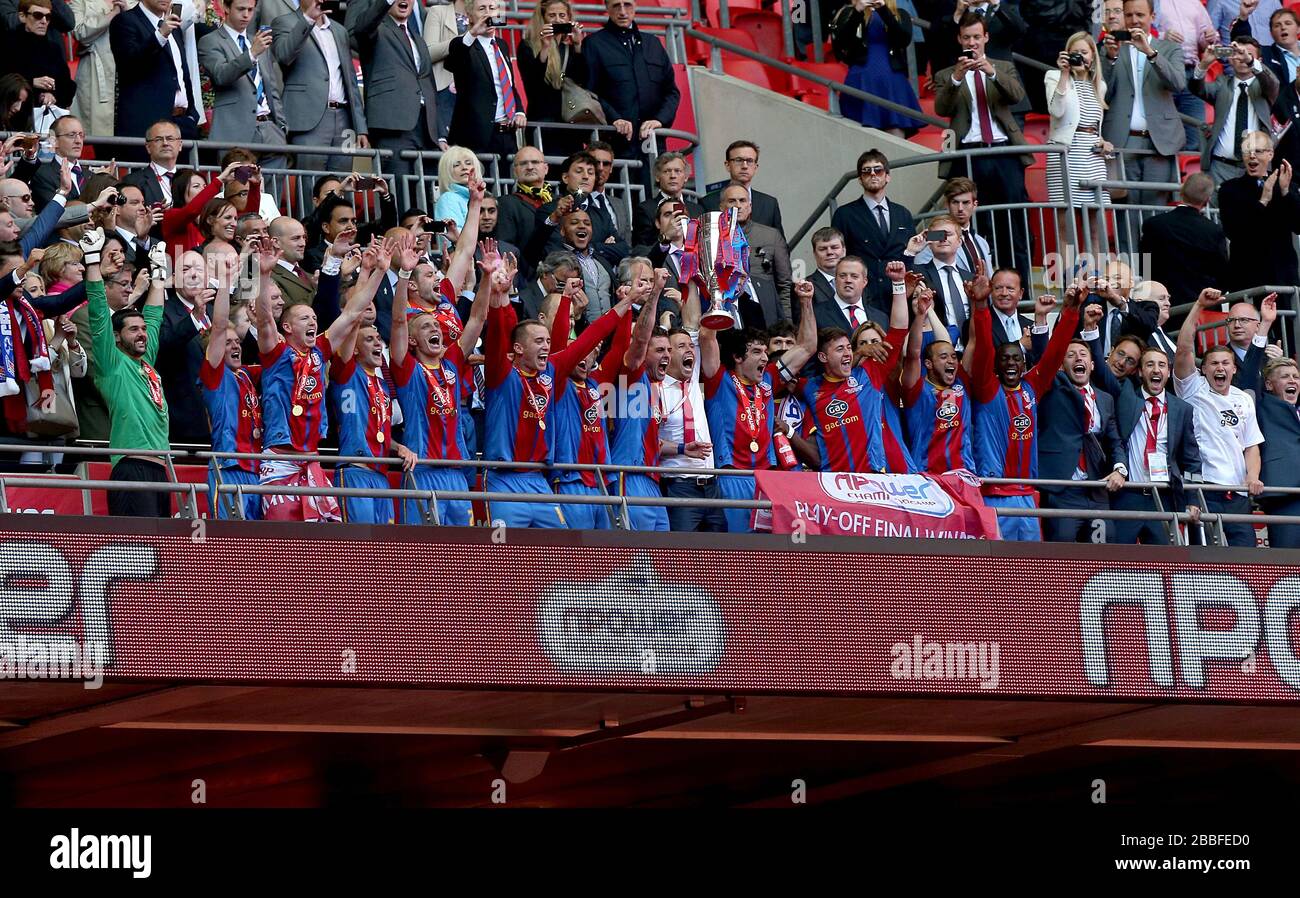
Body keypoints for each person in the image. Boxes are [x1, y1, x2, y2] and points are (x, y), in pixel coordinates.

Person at [481, 245, 628, 528]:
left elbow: (591, 336)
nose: (546, 347)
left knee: (561, 557)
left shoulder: (551, 372)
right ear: (518, 349)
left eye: (547, 342)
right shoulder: (502, 374)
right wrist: (498, 295)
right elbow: (498, 337)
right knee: (504, 560)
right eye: (538, 342)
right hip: (504, 480)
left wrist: (627, 303)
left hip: (539, 482)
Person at [252, 233, 370, 522]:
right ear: (288, 327)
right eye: (305, 318)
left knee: (324, 541)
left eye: (314, 319)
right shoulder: (275, 352)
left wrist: (372, 271)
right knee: (283, 541)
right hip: (280, 458)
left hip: (312, 459)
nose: (313, 322)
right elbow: (265, 317)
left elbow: (354, 311)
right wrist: (264, 274)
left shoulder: (321, 350)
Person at [967, 269, 1083, 541]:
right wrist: (981, 306)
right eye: (1004, 359)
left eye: (1016, 359)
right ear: (995, 366)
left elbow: (1055, 354)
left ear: (1024, 364)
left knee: (1030, 570)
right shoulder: (987, 389)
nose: (1010, 364)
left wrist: (1071, 312)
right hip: (995, 494)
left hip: (1027, 496)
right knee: (999, 569)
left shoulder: (1032, 386)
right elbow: (984, 348)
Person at [699, 283, 817, 532]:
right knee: (740, 550)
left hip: (767, 478)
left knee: (769, 550)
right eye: (756, 352)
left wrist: (806, 302)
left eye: (765, 351)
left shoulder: (768, 381)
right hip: (733, 477)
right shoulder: (718, 380)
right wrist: (714, 296)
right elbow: (707, 337)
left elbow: (806, 347)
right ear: (738, 358)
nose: (765, 358)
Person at [390, 230, 490, 527]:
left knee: (463, 553)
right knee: (423, 553)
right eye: (424, 326)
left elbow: (477, 319)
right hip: (422, 471)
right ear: (411, 340)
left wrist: (486, 279)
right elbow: (397, 321)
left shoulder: (452, 364)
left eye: (436, 324)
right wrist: (405, 275)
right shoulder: (407, 369)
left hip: (457, 473)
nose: (434, 328)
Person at [934, 12, 1032, 284]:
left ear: (986, 37)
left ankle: (1019, 288)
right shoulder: (947, 74)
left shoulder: (1003, 66)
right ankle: (982, 286)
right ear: (959, 39)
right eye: (967, 37)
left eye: (977, 36)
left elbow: (1017, 96)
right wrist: (956, 78)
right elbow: (942, 108)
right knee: (978, 225)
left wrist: (991, 72)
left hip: (1004, 153)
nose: (973, 42)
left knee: (1013, 222)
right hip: (969, 155)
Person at [326, 245, 418, 525]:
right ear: (353, 349)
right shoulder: (346, 371)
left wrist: (397, 447)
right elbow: (352, 317)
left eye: (379, 338)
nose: (378, 342)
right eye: (369, 340)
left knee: (384, 553)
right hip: (354, 472)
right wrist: (371, 272)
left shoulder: (381, 383)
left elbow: (374, 428)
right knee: (360, 551)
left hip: (380, 474)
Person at [83, 229, 171, 516]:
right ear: (118, 337)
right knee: (137, 551)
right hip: (131, 467)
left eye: (142, 329)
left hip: (160, 467)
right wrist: (93, 261)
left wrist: (159, 277)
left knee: (161, 553)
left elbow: (155, 317)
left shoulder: (147, 362)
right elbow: (98, 315)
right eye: (134, 329)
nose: (142, 334)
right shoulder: (113, 364)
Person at [1173, 287, 1266, 547]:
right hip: (1202, 489)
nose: (1220, 368)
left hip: (1236, 493)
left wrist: (1252, 477)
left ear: (1234, 368)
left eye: (1226, 363)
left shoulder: (1243, 398)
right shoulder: (1193, 388)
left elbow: (1251, 446)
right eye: (1214, 363)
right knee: (1205, 560)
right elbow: (1183, 349)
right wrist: (1199, 306)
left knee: (1245, 558)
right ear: (1203, 369)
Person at [801, 260, 910, 473]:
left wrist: (898, 284)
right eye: (840, 349)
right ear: (822, 356)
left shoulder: (870, 375)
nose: (847, 353)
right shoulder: (808, 387)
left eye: (848, 348)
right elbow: (797, 356)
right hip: (835, 484)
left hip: (874, 478)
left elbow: (897, 333)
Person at [1100, 0, 1187, 225]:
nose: (1134, 20)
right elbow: (1102, 96)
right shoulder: (1112, 49)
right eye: (1129, 15)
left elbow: (1178, 83)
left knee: (1154, 214)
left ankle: (1152, 261)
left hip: (1159, 142)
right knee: (1125, 214)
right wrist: (1109, 59)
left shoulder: (1169, 48)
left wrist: (1150, 52)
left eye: (1140, 14)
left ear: (1152, 16)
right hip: (1122, 141)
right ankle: (1129, 261)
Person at [1036, 336, 1128, 541]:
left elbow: (1114, 441)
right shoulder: (1053, 391)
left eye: (1083, 354)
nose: (1078, 358)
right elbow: (1043, 358)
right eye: (1070, 355)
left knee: (1103, 553)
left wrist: (1120, 470)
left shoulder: (1105, 399)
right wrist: (1041, 322)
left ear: (1093, 364)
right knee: (1063, 557)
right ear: (1060, 366)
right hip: (1063, 491)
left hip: (1097, 489)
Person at [603, 260, 670, 531]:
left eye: (668, 350)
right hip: (627, 477)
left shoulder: (652, 386)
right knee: (631, 564)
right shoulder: (631, 374)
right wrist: (653, 294)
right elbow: (640, 339)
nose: (666, 356)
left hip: (652, 481)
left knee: (661, 567)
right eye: (660, 351)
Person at [546, 282, 618, 530]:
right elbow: (557, 345)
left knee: (609, 562)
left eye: (592, 352)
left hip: (600, 482)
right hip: (571, 481)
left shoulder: (597, 384)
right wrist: (565, 300)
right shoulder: (558, 383)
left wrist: (630, 302)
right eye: (578, 351)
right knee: (579, 559)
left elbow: (619, 349)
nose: (583, 356)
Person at [347, 0, 440, 191]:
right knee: (398, 192)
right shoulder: (376, 30)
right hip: (393, 126)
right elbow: (362, 29)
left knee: (428, 193)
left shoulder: (417, 38)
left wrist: (441, 134)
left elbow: (428, 83)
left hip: (425, 129)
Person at [200, 245, 262, 521]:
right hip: (227, 466)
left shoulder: (247, 374)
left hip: (255, 469)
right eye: (228, 344)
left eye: (237, 342)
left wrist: (258, 269)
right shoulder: (215, 374)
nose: (235, 346)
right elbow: (220, 323)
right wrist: (225, 285)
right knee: (230, 544)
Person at [271, 0, 369, 173]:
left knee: (343, 180)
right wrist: (308, 19)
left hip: (344, 119)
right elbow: (284, 56)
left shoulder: (339, 30)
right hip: (308, 119)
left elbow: (351, 81)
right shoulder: (284, 22)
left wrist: (360, 127)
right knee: (311, 182)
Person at [583, 0, 679, 171]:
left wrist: (659, 120)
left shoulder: (653, 43)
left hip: (654, 145)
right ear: (607, 8)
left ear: (635, 5)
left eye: (627, 4)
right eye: (615, 6)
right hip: (615, 144)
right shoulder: (594, 43)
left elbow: (671, 92)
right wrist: (615, 118)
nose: (622, 11)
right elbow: (589, 91)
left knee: (655, 195)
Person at [1045, 33, 1114, 251]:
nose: (1080, 58)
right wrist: (1065, 74)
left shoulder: (1099, 85)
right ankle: (1071, 283)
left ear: (1093, 55)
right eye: (1075, 53)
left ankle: (1096, 281)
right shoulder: (1054, 76)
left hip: (1092, 157)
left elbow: (1093, 124)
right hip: (1066, 155)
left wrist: (1104, 142)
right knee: (1066, 230)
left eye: (1084, 53)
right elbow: (1057, 110)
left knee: (1095, 229)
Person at [197, 0, 288, 160]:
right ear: (225, 7)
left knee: (275, 184)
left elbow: (271, 88)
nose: (246, 15)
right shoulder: (210, 41)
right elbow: (221, 75)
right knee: (239, 184)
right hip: (235, 132)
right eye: (240, 9)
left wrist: (281, 125)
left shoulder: (258, 42)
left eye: (250, 10)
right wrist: (251, 54)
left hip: (270, 130)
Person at [900, 283, 975, 474]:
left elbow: (973, 341)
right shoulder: (916, 390)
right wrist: (920, 315)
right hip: (927, 478)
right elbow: (912, 353)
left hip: (963, 474)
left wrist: (977, 302)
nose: (951, 361)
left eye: (953, 357)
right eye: (943, 358)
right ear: (928, 364)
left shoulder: (960, 384)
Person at [829, 149, 915, 312]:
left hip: (900, 296)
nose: (873, 174)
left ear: (887, 176)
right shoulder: (845, 214)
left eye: (878, 170)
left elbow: (911, 254)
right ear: (860, 179)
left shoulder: (903, 213)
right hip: (864, 298)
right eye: (866, 171)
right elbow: (839, 259)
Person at [1217, 131, 1300, 293]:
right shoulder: (1230, 189)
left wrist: (1285, 192)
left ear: (1270, 154)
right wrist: (1263, 201)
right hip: (1247, 275)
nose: (1252, 156)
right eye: (1247, 152)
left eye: (1258, 151)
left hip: (1282, 276)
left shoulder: (1284, 184)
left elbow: (1298, 225)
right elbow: (1235, 232)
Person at [1191, 37, 1279, 186]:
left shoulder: (1265, 87)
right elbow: (1197, 89)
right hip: (1220, 167)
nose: (1243, 58)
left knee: (1254, 209)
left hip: (1255, 165)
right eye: (1238, 54)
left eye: (1248, 54)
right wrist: (1204, 64)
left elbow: (1272, 82)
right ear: (1231, 59)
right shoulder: (1222, 83)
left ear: (1259, 59)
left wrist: (1250, 61)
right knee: (1218, 209)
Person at [444, 0, 526, 159]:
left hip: (505, 131)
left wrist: (520, 110)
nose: (488, 13)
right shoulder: (464, 44)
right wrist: (472, 33)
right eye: (482, 9)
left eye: (492, 8)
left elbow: (508, 84)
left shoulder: (502, 45)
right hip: (475, 136)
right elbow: (453, 62)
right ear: (470, 16)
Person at [110, 0, 201, 142]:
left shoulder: (173, 27)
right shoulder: (125, 21)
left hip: (182, 124)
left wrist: (191, 114)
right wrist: (160, 35)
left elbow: (181, 72)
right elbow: (129, 65)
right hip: (147, 128)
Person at [829, 0, 922, 137]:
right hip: (861, 79)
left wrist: (883, 10)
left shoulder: (900, 14)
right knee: (860, 134)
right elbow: (843, 43)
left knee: (895, 130)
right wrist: (857, 11)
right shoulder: (848, 12)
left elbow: (902, 40)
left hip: (892, 82)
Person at [1138, 172, 1230, 308]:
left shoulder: (1153, 224)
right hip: (1202, 307)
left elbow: (1145, 267)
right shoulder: (1213, 231)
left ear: (1181, 192)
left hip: (1162, 305)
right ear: (1207, 200)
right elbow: (1222, 275)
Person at [517, 0, 589, 160]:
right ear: (542, 18)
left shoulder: (569, 49)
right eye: (552, 15)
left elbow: (581, 81)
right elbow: (533, 84)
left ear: (569, 18)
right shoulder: (528, 46)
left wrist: (578, 46)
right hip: (542, 124)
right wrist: (545, 47)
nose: (557, 20)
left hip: (569, 124)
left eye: (562, 15)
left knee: (571, 175)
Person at [717, 183, 792, 327]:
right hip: (729, 317)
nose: (738, 205)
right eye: (732, 201)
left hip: (767, 314)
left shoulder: (771, 236)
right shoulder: (712, 238)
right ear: (721, 207)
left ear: (750, 206)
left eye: (742, 201)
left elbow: (785, 285)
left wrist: (786, 324)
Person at [1156, 0, 1218, 151]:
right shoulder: (1152, 2)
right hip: (1162, 72)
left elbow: (1206, 40)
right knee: (1162, 135)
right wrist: (1163, 36)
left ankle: (1192, 174)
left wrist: (1210, 38)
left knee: (1196, 135)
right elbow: (1141, 31)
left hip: (1191, 74)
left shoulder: (1194, 3)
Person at [699, 140, 785, 239]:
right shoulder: (707, 203)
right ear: (727, 165)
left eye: (749, 161)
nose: (744, 166)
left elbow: (780, 245)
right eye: (739, 160)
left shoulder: (770, 203)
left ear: (755, 167)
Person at [1, 0, 76, 114]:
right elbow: (3, 81)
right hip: (15, 116)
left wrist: (52, 95)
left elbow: (68, 86)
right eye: (38, 16)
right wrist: (31, 82)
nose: (44, 21)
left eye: (48, 17)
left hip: (46, 118)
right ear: (22, 16)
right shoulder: (8, 45)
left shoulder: (53, 49)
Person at [1256, 357, 1300, 547]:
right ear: (1268, 384)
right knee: (1289, 559)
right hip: (1285, 492)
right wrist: (1261, 334)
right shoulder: (1261, 404)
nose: (1292, 380)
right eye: (1285, 377)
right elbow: (1248, 376)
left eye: (1296, 377)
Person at [912, 216, 973, 351]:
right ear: (929, 241)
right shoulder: (919, 273)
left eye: (949, 234)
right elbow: (899, 278)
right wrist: (911, 252)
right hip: (936, 351)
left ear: (960, 241)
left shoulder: (971, 277)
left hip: (971, 350)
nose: (943, 238)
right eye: (938, 235)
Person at [12, 114, 86, 213]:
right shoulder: (41, 174)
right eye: (71, 135)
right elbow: (52, 213)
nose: (78, 141)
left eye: (81, 135)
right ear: (54, 141)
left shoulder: (92, 176)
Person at [421, 0, 467, 149]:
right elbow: (428, 52)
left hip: (472, 91)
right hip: (444, 91)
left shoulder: (483, 15)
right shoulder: (438, 12)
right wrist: (465, 39)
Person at [633, 152, 703, 248]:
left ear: (686, 177)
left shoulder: (697, 209)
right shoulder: (645, 209)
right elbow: (642, 249)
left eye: (678, 171)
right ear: (657, 177)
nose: (673, 176)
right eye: (667, 171)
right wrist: (666, 236)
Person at [495, 145, 551, 254]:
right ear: (514, 171)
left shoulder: (558, 202)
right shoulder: (506, 204)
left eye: (535, 162)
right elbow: (506, 247)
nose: (530, 167)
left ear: (546, 168)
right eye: (523, 163)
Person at [120, 119, 183, 207]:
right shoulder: (133, 181)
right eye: (158, 139)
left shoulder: (191, 179)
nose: (165, 143)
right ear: (148, 147)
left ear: (180, 145)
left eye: (170, 139)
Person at [433, 146, 482, 230]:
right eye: (456, 165)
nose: (464, 167)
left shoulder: (482, 196)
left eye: (468, 163)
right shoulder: (448, 199)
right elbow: (452, 239)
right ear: (446, 171)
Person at [807, 226, 846, 308]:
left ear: (844, 251)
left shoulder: (858, 282)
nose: (829, 252)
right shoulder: (806, 286)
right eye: (822, 249)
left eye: (834, 247)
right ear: (814, 254)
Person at [1211, 0, 1282, 44]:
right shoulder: (1218, 1)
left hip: (1270, 62)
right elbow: (1208, 37)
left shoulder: (1272, 1)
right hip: (1236, 62)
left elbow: (1283, 29)